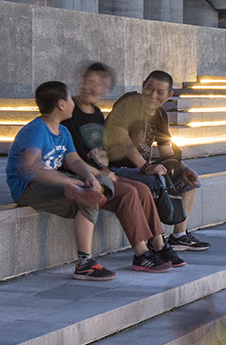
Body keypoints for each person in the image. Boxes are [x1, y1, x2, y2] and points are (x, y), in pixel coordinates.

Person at [6, 81, 127, 281]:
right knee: (87, 199)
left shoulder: (63, 131)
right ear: (61, 104)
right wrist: (67, 182)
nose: (73, 103)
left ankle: (83, 192)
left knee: (97, 184)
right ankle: (85, 263)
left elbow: (74, 160)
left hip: (53, 183)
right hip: (28, 187)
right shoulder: (36, 130)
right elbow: (32, 165)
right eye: (70, 98)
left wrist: (88, 176)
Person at [67, 62, 181, 270]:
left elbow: (99, 152)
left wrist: (104, 169)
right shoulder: (69, 110)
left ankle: (161, 244)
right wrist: (104, 171)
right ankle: (141, 253)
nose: (94, 88)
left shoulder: (96, 114)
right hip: (80, 175)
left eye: (101, 85)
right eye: (90, 82)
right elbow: (71, 156)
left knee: (144, 189)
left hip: (101, 173)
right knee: (132, 191)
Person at [107, 70, 211, 252]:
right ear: (143, 86)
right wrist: (145, 166)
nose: (153, 95)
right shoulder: (129, 102)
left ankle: (179, 236)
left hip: (140, 170)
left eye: (160, 92)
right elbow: (122, 138)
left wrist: (184, 169)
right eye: (149, 89)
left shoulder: (161, 115)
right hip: (114, 168)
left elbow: (167, 151)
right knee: (152, 181)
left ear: (169, 95)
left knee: (189, 182)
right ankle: (155, 240)